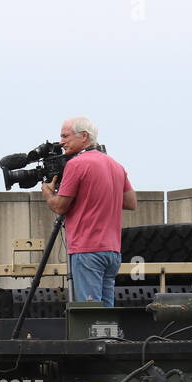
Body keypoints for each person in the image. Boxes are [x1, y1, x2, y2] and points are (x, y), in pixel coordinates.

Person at [41, 116, 137, 307]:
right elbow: (130, 202)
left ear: (84, 136)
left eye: (65, 136)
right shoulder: (116, 165)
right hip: (112, 251)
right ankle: (107, 338)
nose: (61, 142)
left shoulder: (76, 165)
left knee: (89, 311)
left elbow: (60, 206)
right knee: (106, 311)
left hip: (87, 249)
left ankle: (93, 338)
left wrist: (48, 193)